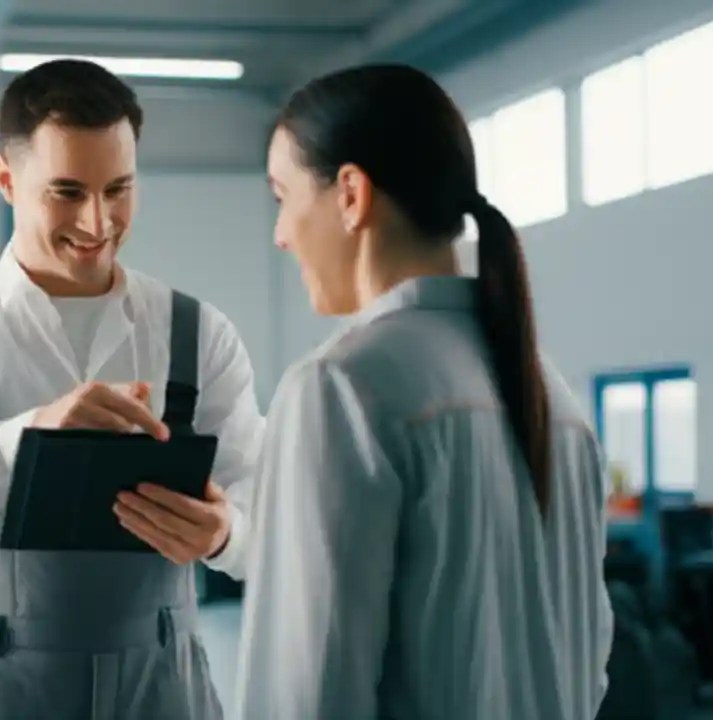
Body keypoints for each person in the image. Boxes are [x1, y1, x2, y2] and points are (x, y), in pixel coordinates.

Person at [0, 59, 263, 719]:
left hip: (161, 690)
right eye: (67, 192)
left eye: (119, 189)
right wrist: (24, 438)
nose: (97, 222)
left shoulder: (196, 335)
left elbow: (270, 521)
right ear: (6, 180)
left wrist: (224, 535)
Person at [235, 64, 614, 719]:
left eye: (282, 196)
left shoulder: (342, 390)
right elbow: (588, 669)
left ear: (350, 193)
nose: (281, 233)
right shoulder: (556, 399)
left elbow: (303, 694)